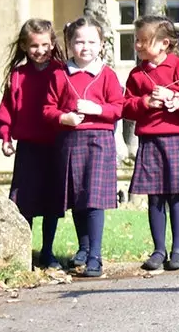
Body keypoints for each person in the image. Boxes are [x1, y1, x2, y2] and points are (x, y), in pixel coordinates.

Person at [43, 16, 125, 278]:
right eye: (79, 41)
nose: (85, 47)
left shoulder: (107, 74)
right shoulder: (59, 75)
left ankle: (95, 256)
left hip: (99, 141)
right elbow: (47, 109)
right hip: (70, 141)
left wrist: (97, 109)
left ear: (101, 45)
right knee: (78, 198)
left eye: (92, 41)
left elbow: (119, 108)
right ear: (69, 44)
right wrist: (62, 118)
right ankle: (83, 246)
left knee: (93, 199)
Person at [123, 15, 179, 272]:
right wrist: (144, 102)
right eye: (137, 40)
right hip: (149, 140)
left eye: (144, 41)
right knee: (155, 196)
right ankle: (159, 249)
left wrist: (176, 97)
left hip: (176, 138)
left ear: (164, 43)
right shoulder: (136, 74)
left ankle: (178, 248)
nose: (138, 46)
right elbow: (126, 107)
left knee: (176, 195)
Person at [0, 18, 67, 268]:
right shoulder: (17, 76)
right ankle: (25, 252)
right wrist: (5, 136)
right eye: (34, 46)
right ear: (25, 46)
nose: (40, 51)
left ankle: (47, 251)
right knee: (24, 202)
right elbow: (6, 109)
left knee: (51, 202)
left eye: (45, 45)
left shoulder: (61, 71)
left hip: (55, 145)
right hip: (28, 147)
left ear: (53, 44)